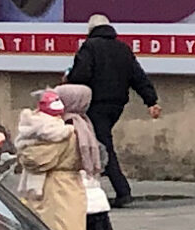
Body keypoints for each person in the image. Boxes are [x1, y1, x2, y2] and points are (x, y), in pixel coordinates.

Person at [12, 84, 103, 230]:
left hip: (55, 190)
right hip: (68, 188)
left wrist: (23, 147)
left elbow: (38, 160)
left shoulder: (65, 130)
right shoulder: (82, 126)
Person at [67, 14, 160, 210]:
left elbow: (81, 74)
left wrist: (69, 79)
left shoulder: (89, 47)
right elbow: (138, 76)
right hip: (116, 105)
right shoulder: (122, 48)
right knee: (97, 142)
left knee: (101, 144)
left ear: (90, 30)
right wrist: (151, 100)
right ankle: (91, 186)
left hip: (96, 104)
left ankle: (122, 190)